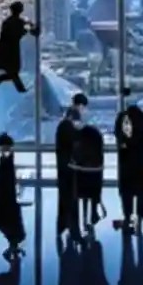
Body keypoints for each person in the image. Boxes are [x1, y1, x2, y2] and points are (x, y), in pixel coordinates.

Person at [114, 87, 143, 233]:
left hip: (125, 159)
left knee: (126, 190)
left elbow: (118, 136)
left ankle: (127, 216)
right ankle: (140, 218)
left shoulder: (121, 117)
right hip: (140, 158)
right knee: (141, 190)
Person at [0, 1, 37, 93]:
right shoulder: (17, 22)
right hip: (11, 50)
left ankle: (19, 89)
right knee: (13, 71)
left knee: (12, 71)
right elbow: (18, 33)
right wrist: (28, 28)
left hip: (5, 49)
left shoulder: (8, 21)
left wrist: (27, 27)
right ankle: (18, 89)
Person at [54, 94, 87, 236]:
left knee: (64, 196)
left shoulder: (64, 121)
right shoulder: (73, 120)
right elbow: (77, 140)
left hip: (63, 164)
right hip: (70, 165)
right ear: (80, 105)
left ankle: (63, 225)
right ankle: (73, 227)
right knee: (72, 196)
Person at [74, 122, 107, 229]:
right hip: (95, 172)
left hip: (82, 172)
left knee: (84, 196)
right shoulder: (96, 140)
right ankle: (93, 214)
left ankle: (84, 218)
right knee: (93, 194)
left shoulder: (80, 140)